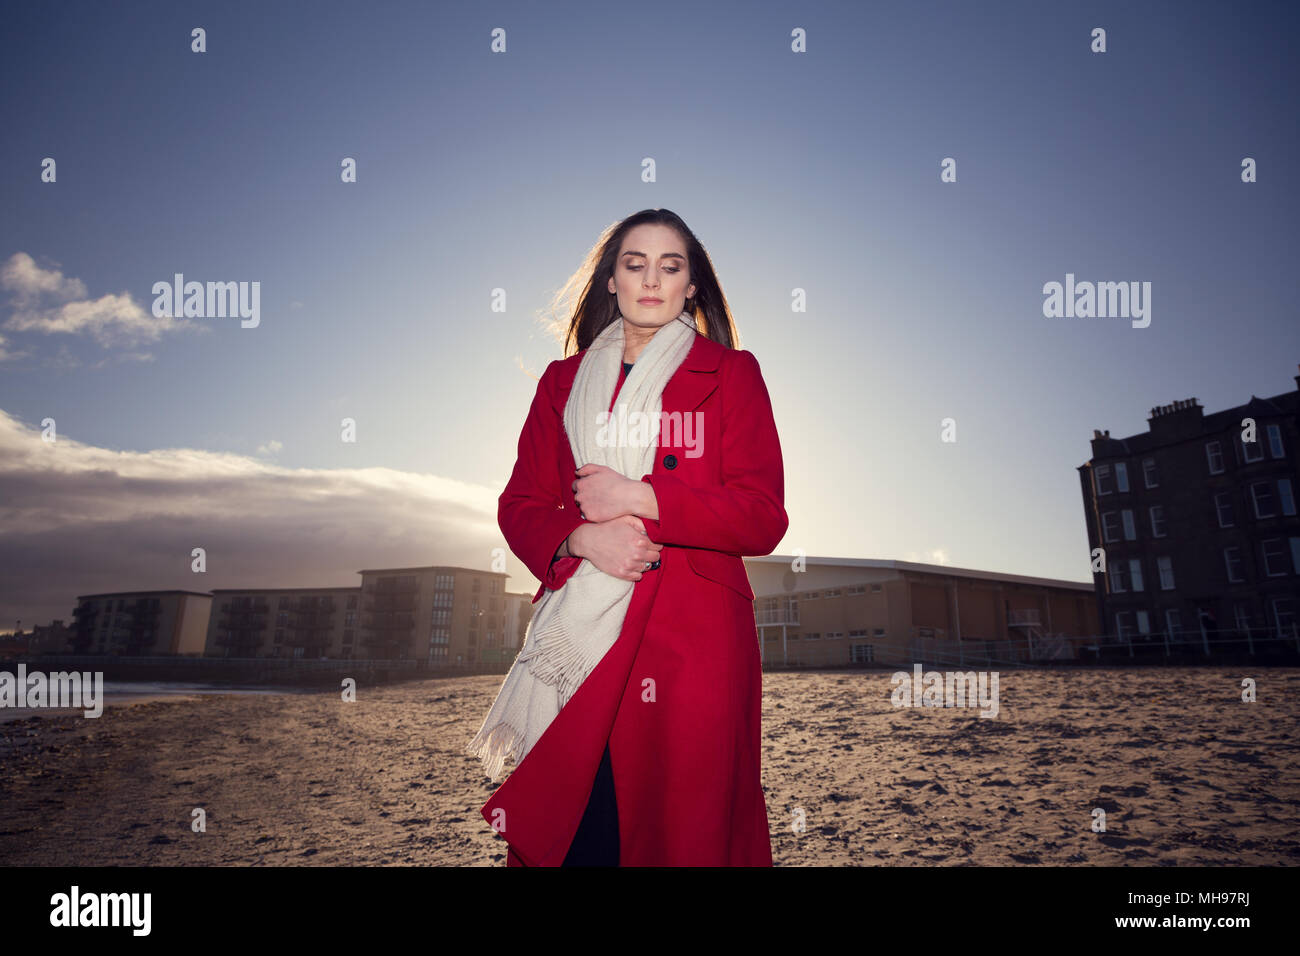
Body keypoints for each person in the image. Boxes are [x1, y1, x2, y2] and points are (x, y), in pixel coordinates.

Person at [466, 208, 789, 866]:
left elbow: (763, 515)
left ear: (691, 286)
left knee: (680, 832)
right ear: (610, 280)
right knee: (581, 831)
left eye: (670, 266)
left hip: (692, 647)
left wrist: (643, 498)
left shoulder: (732, 373)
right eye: (634, 264)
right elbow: (521, 504)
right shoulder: (560, 384)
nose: (651, 280)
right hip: (582, 636)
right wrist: (582, 538)